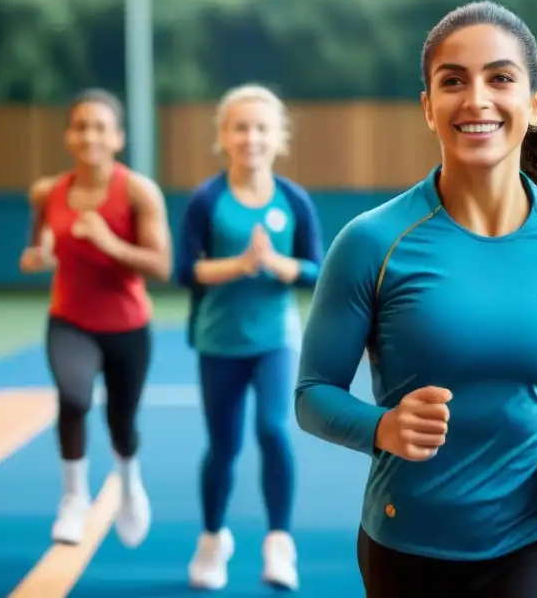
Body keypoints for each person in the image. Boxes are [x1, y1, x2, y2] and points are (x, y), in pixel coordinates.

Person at [295, 1, 537, 598]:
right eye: (453, 81)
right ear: (428, 107)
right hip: (411, 546)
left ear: (535, 103)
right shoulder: (371, 243)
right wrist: (384, 427)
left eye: (500, 78)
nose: (476, 100)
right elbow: (312, 395)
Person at [174, 84, 323, 593]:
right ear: (223, 136)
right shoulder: (207, 200)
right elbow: (185, 271)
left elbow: (315, 269)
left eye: (261, 128)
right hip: (219, 341)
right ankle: (212, 540)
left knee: (273, 430)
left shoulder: (294, 201)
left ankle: (279, 542)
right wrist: (240, 264)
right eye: (240, 127)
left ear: (278, 137)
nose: (251, 137)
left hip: (275, 340)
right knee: (223, 446)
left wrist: (281, 265)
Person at [19, 89, 171, 550]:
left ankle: (129, 483)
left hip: (127, 326)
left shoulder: (138, 191)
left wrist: (107, 241)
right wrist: (36, 256)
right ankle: (73, 498)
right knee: (73, 397)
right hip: (70, 320)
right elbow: (37, 247)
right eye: (81, 126)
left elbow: (161, 267)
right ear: (69, 136)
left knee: (121, 419)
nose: (90, 136)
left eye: (101, 127)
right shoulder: (48, 192)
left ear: (118, 137)